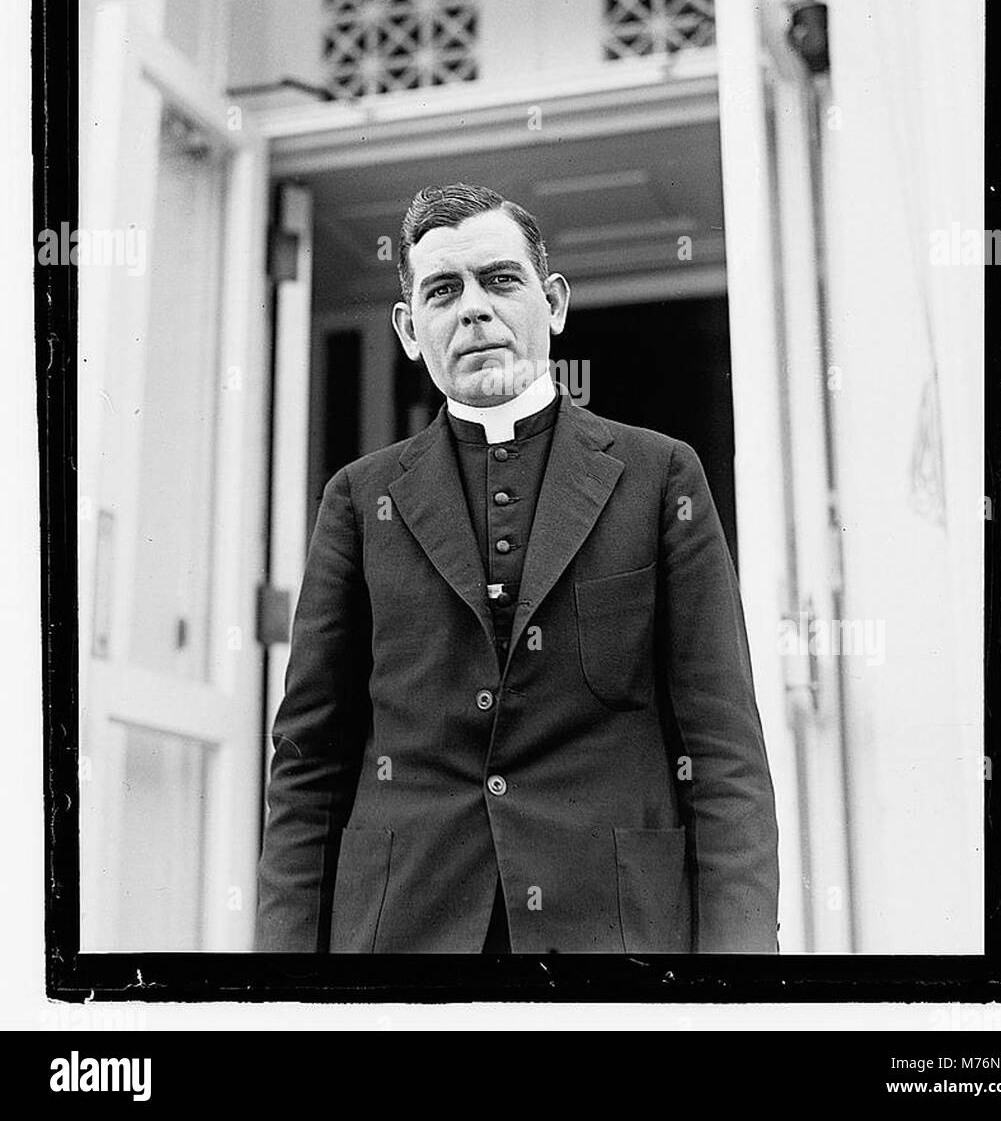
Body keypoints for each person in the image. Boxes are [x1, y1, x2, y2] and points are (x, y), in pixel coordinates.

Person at [254, 182, 779, 953]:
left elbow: (723, 751)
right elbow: (308, 763)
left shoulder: (659, 476)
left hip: (617, 940)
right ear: (408, 328)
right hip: (404, 942)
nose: (472, 308)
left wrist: (738, 979)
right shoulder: (359, 501)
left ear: (553, 303)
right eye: (442, 291)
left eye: (500, 280)